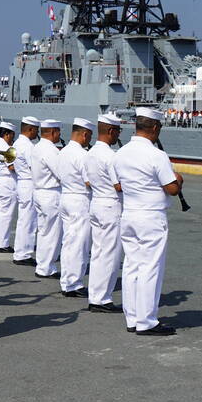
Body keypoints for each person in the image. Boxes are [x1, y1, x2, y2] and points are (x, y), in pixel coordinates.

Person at [113, 107, 183, 335]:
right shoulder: (157, 155)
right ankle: (147, 321)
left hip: (129, 213)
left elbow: (119, 184)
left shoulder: (120, 154)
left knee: (132, 266)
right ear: (154, 127)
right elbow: (172, 189)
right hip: (151, 216)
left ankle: (132, 318)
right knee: (150, 268)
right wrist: (179, 179)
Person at [86, 113, 124, 313]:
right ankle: (103, 299)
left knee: (98, 253)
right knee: (110, 254)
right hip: (111, 205)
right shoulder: (111, 156)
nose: (119, 135)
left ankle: (95, 295)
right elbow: (119, 185)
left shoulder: (90, 153)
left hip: (96, 203)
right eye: (118, 131)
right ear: (111, 131)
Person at [57, 118, 95, 298]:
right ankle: (74, 284)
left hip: (65, 197)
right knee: (79, 243)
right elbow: (89, 181)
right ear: (85, 134)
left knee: (69, 242)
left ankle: (67, 280)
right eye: (89, 136)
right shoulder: (82, 155)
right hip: (80, 200)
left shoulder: (62, 152)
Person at [33, 119, 64, 279]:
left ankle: (42, 265)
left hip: (39, 191)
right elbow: (61, 173)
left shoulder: (38, 147)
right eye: (58, 131)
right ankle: (47, 268)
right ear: (52, 132)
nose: (60, 134)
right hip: (51, 193)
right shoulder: (50, 150)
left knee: (44, 231)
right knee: (53, 233)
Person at [11, 117, 40, 266]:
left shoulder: (17, 143)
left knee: (24, 220)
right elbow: (34, 167)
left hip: (22, 182)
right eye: (36, 129)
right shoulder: (28, 146)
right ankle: (23, 254)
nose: (37, 132)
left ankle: (20, 251)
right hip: (29, 183)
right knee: (28, 221)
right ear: (30, 129)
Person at [0, 121, 17, 253]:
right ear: (7, 134)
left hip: (0, 182)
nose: (13, 137)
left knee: (1, 212)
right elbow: (12, 166)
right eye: (12, 134)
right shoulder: (5, 147)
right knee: (6, 214)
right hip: (7, 182)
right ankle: (1, 244)